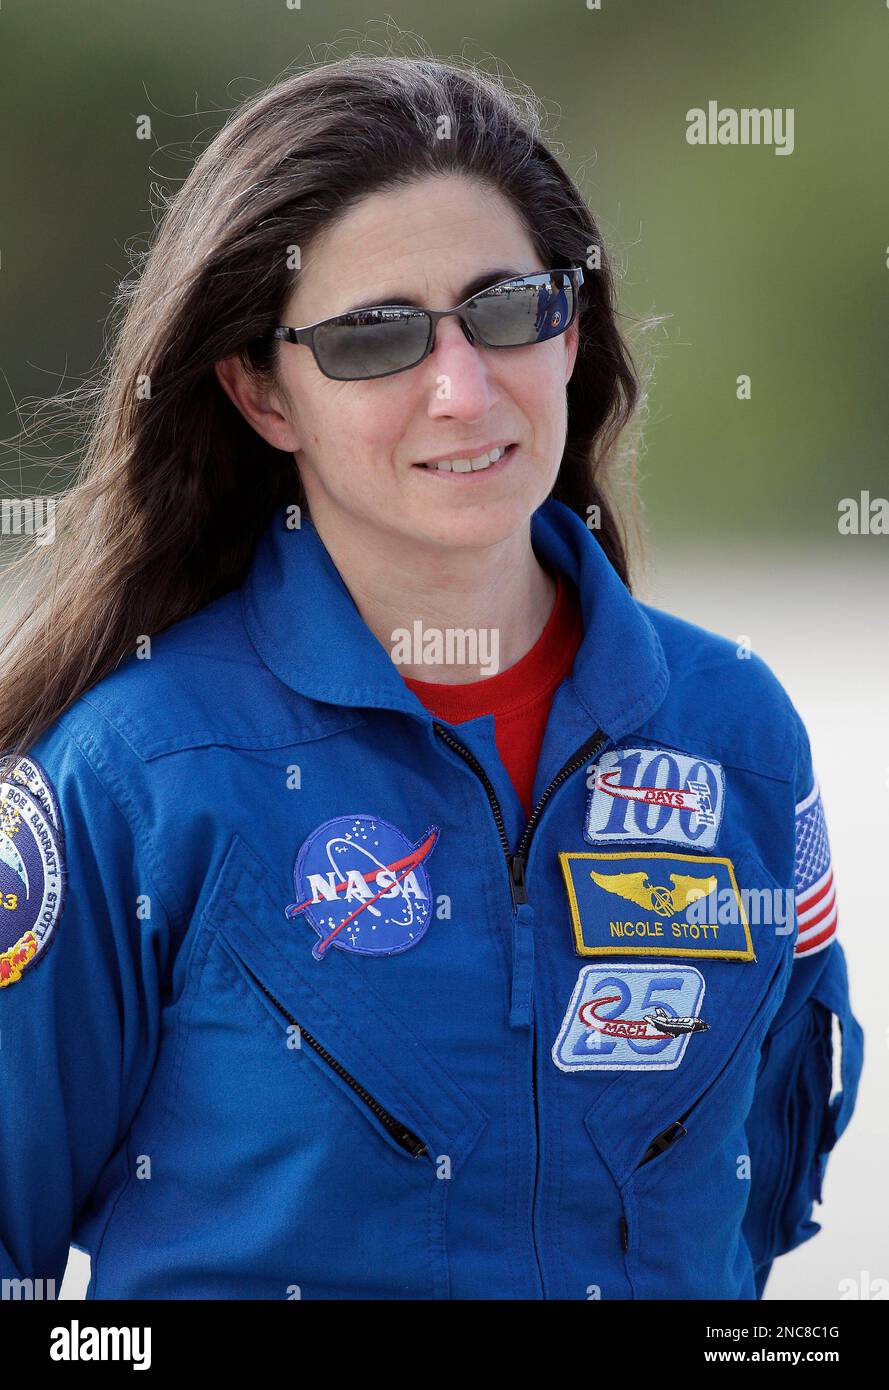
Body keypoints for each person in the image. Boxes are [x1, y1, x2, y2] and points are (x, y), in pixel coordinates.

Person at [0, 53, 863, 1302]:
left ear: (570, 330)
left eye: (509, 308)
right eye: (373, 337)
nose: (462, 389)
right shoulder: (132, 778)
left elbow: (763, 1206)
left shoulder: (739, 733)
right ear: (258, 390)